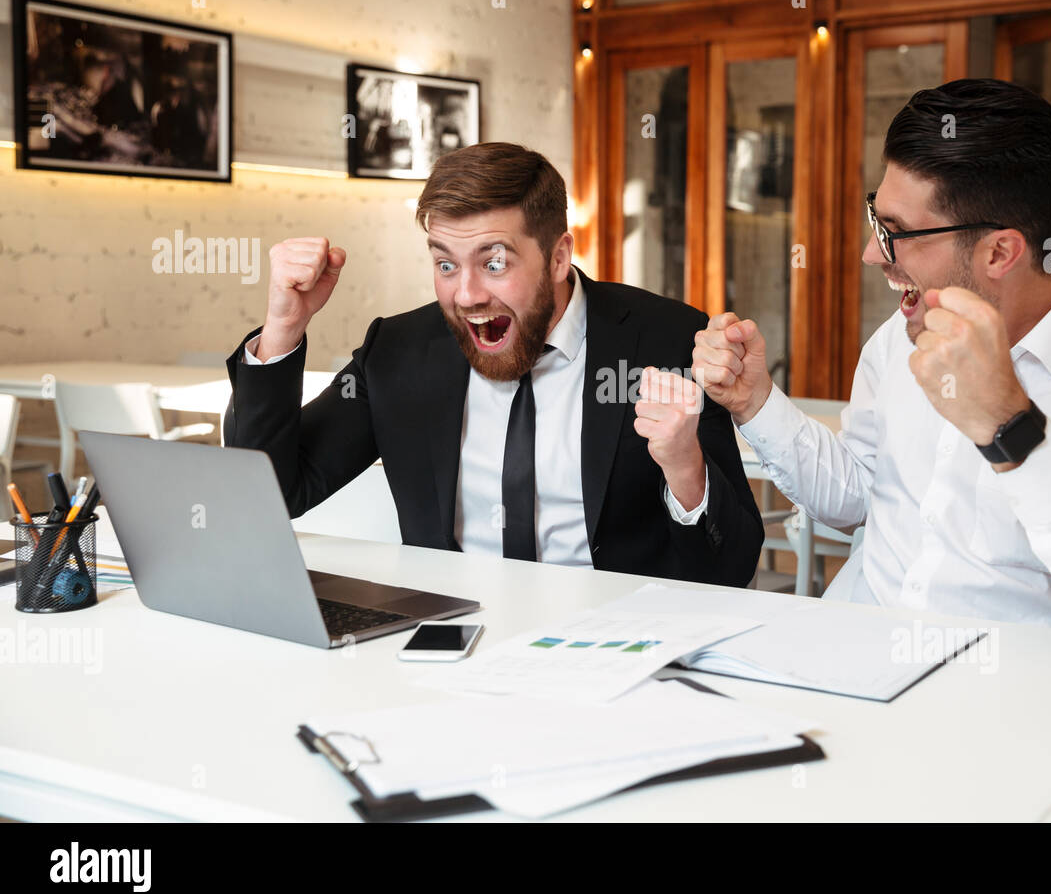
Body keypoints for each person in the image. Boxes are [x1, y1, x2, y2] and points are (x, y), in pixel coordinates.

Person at [693, 78, 1051, 640]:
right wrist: (755, 401)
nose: (871, 253)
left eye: (898, 232)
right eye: (876, 220)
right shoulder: (897, 339)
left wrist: (1011, 428)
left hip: (1016, 705)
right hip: (852, 658)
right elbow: (859, 495)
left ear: (1000, 251)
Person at [224, 142, 762, 587]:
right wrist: (282, 329)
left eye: (494, 262)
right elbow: (267, 492)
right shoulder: (400, 350)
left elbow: (732, 568)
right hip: (448, 645)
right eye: (445, 264)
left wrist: (686, 469)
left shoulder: (667, 342)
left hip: (613, 651)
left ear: (557, 256)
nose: (466, 294)